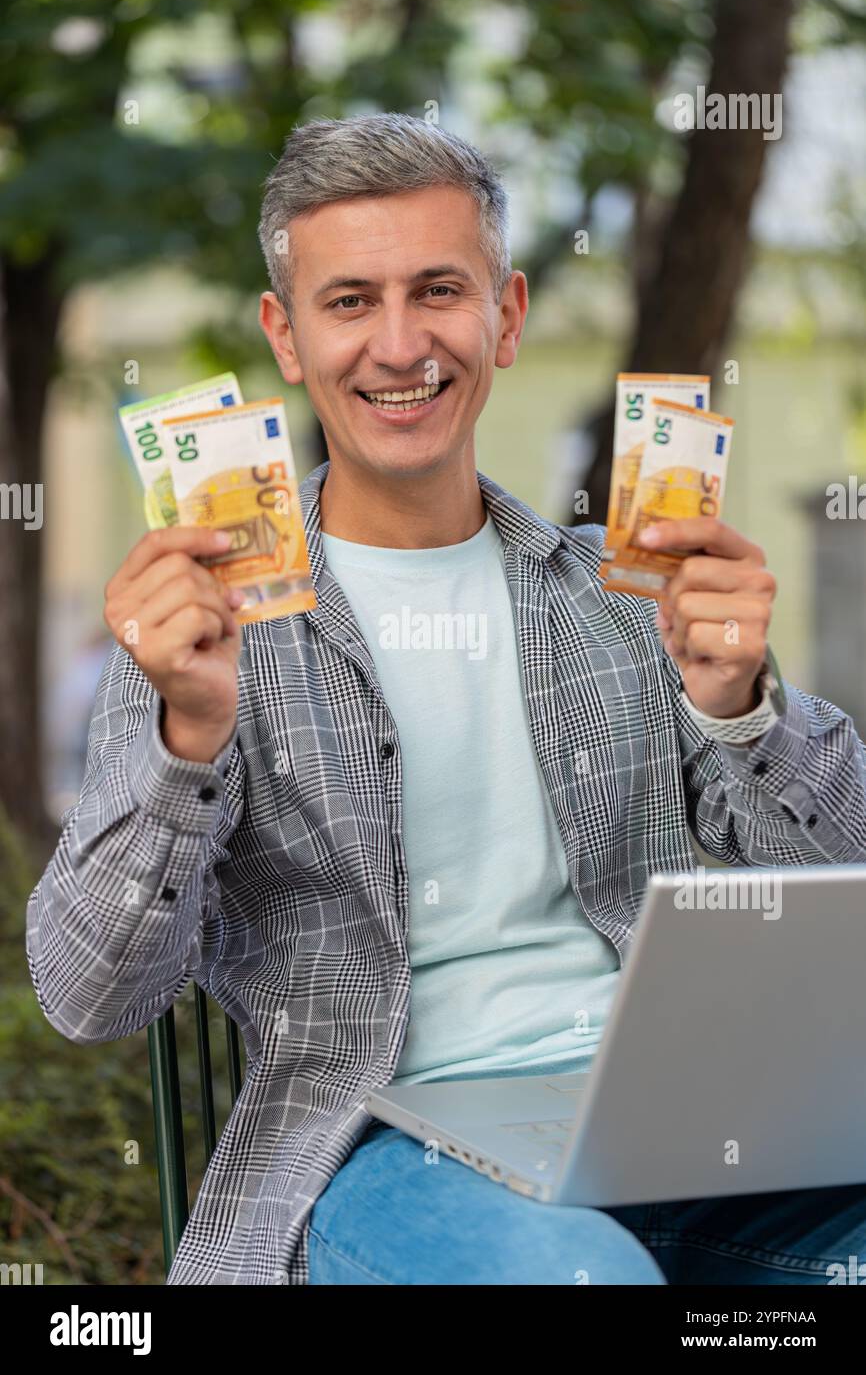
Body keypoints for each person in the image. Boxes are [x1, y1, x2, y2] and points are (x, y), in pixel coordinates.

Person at [26, 114, 866, 1286]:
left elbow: (845, 868)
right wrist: (186, 741)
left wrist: (742, 712)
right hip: (390, 1157)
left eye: (437, 290)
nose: (400, 342)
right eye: (349, 301)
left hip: (685, 1130)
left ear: (505, 316)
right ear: (285, 334)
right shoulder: (198, 638)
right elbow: (85, 996)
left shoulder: (627, 599)